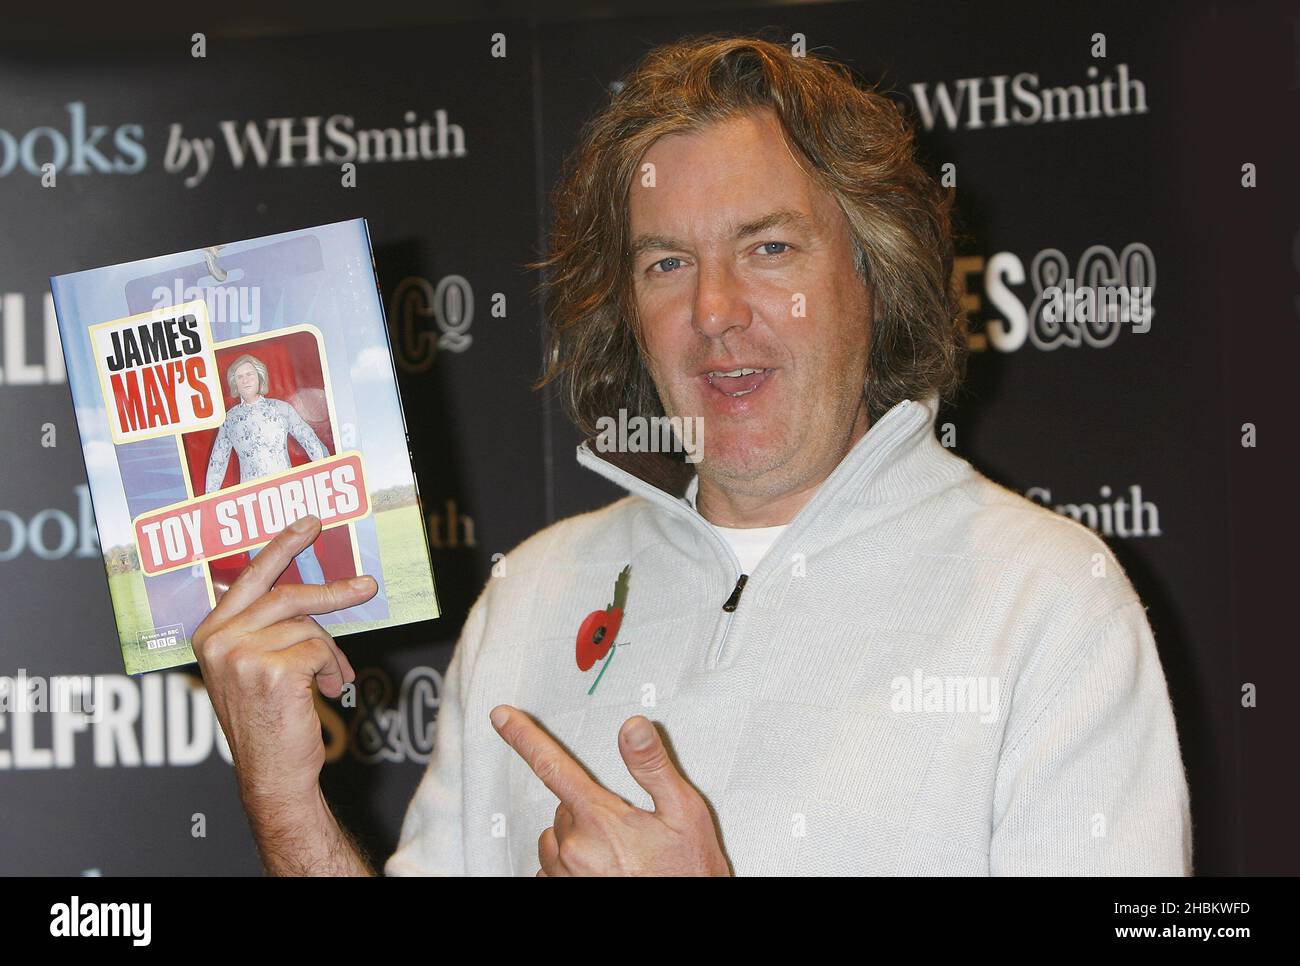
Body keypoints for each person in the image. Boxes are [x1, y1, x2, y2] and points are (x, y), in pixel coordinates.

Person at [191, 35, 1192, 876]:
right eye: (667, 264)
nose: (714, 312)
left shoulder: (1052, 605)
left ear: (875, 276)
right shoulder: (533, 593)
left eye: (768, 248)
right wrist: (289, 806)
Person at [204, 353, 331, 584]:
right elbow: (218, 461)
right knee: (259, 563)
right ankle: (262, 616)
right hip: (252, 501)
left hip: (287, 493)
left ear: (259, 376)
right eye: (239, 376)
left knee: (304, 552)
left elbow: (307, 437)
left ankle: (322, 602)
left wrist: (327, 468)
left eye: (249, 374)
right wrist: (208, 500)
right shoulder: (230, 420)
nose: (245, 379)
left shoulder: (281, 409)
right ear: (235, 383)